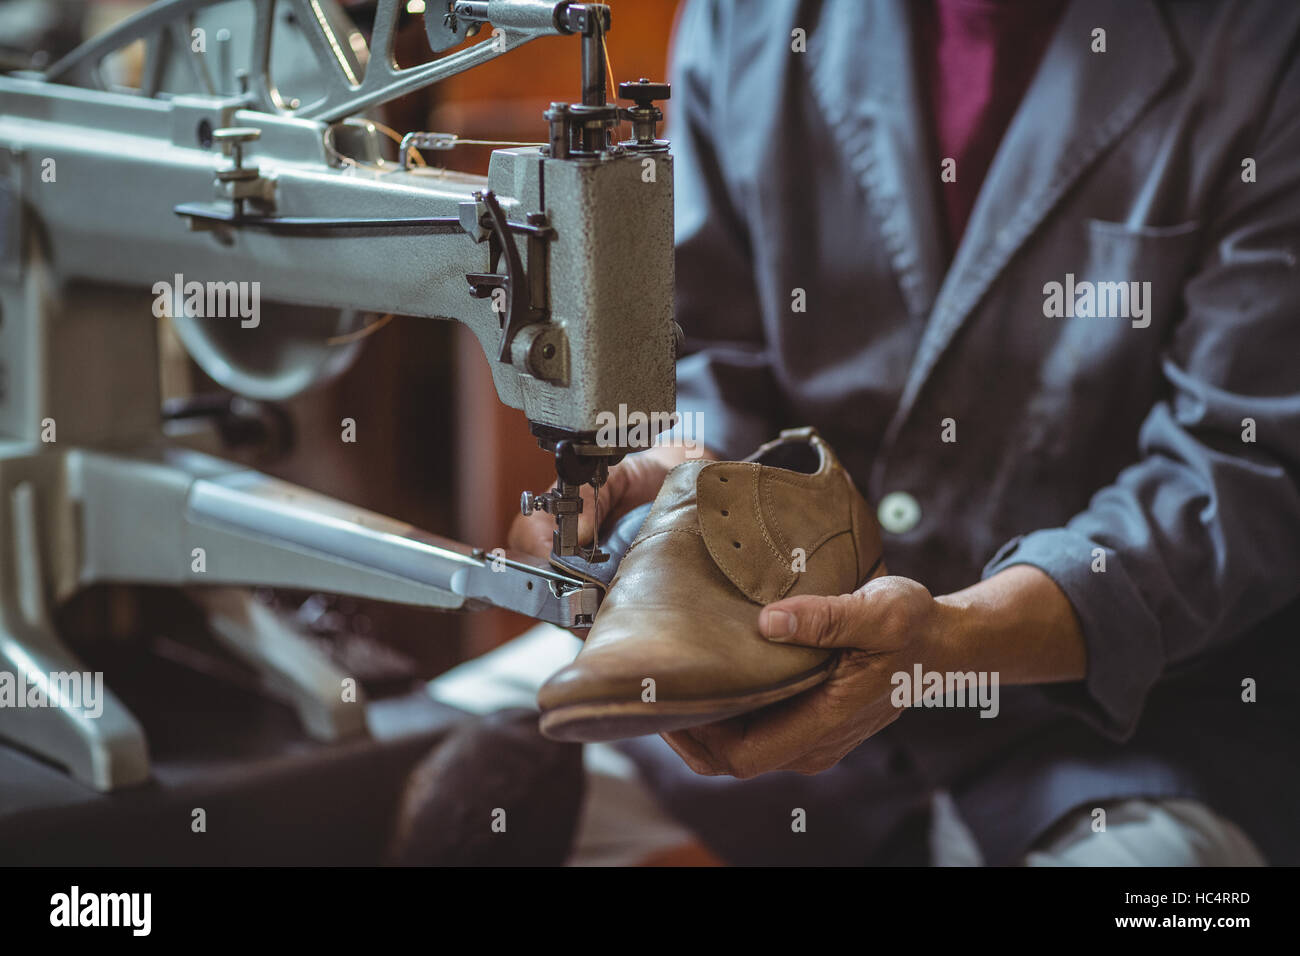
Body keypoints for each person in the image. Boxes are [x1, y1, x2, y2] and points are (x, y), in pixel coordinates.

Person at [432, 0, 1300, 865]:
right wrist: (661, 470)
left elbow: (1239, 470)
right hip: (763, 646)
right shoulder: (749, 21)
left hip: (1120, 726)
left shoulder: (1265, 49)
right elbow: (709, 351)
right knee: (406, 789)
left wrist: (956, 641)